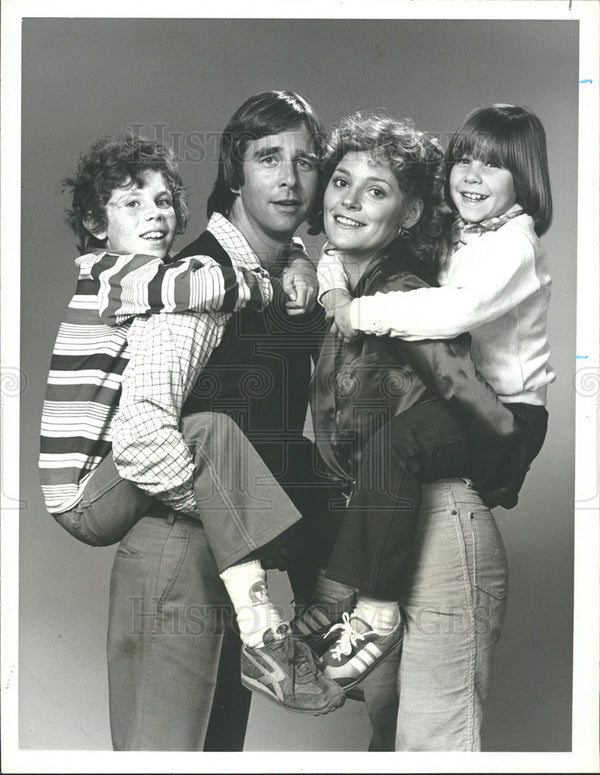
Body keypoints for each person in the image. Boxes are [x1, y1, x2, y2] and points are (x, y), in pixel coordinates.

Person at [103, 91, 348, 750]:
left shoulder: (295, 277)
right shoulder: (201, 277)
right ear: (235, 171)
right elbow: (140, 434)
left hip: (236, 562)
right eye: (269, 157)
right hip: (177, 551)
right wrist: (235, 512)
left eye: (306, 161)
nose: (290, 179)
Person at [293, 111, 533, 751]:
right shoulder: (355, 278)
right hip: (396, 526)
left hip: (438, 524)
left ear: (409, 213)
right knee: (391, 739)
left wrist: (506, 461)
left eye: (375, 191)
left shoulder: (400, 293)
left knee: (431, 745)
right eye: (340, 182)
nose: (347, 200)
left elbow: (469, 397)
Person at [320, 104, 554, 507]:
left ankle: (357, 572)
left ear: (525, 177)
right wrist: (334, 293)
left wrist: (358, 313)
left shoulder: (515, 244)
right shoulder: (457, 227)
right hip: (465, 397)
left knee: (395, 448)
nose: (472, 176)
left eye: (493, 165)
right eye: (464, 159)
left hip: (509, 414)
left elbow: (455, 311)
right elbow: (337, 250)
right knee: (389, 448)